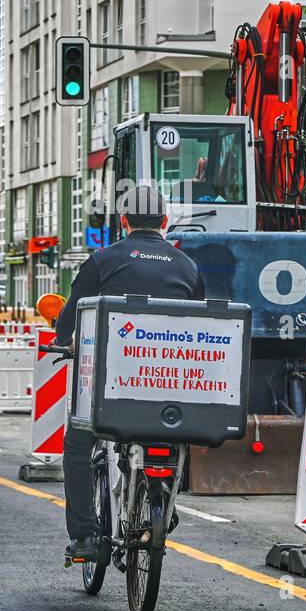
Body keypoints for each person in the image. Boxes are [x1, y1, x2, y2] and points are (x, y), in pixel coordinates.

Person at [55, 184, 206, 563]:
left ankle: (87, 537)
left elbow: (69, 315)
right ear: (165, 223)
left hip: (111, 390)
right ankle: (164, 504)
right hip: (171, 388)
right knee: (172, 439)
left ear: (123, 222)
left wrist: (65, 341)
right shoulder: (187, 266)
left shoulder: (104, 259)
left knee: (77, 445)